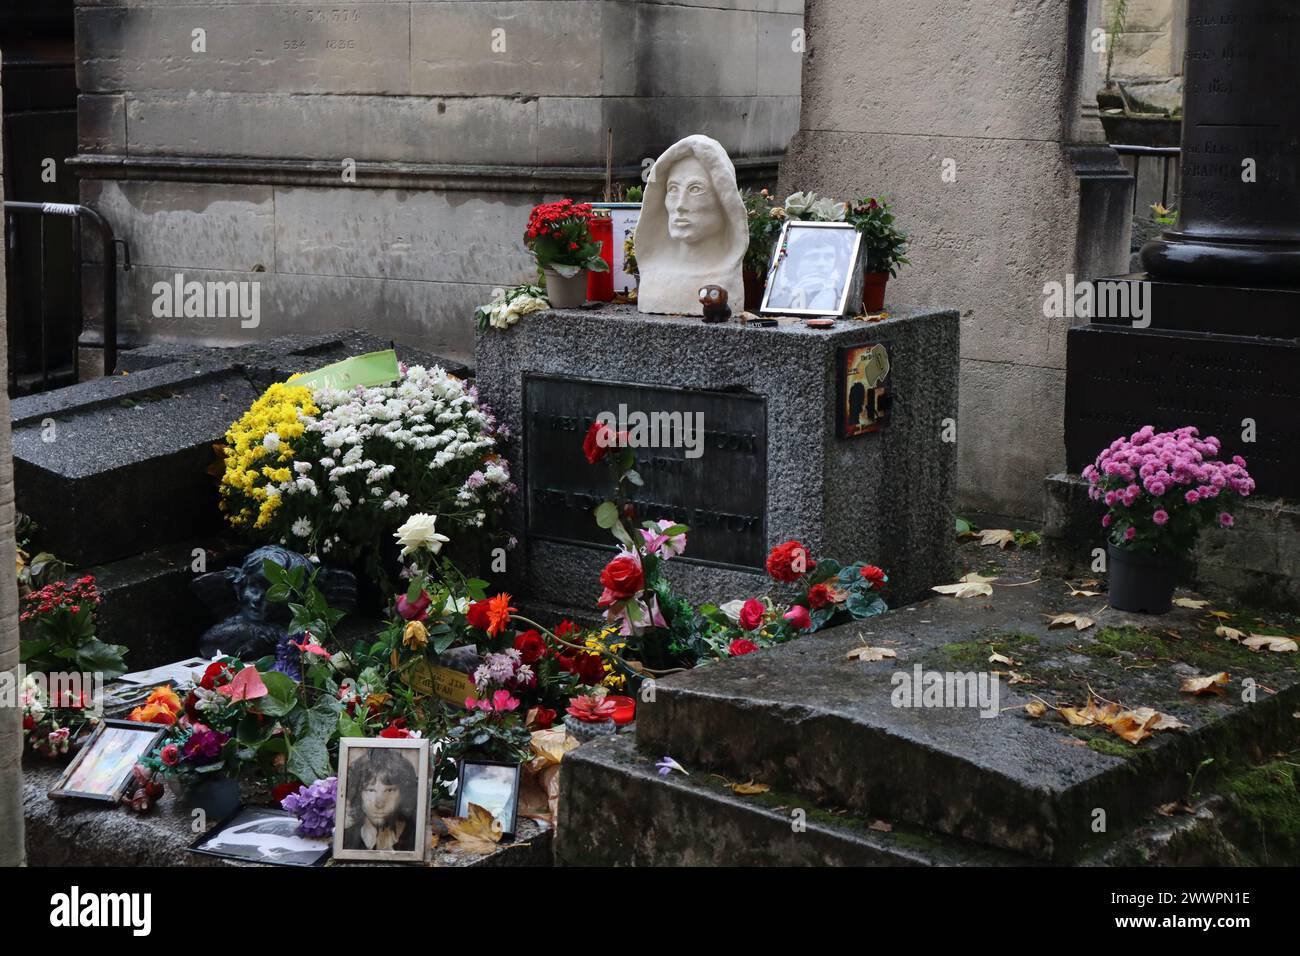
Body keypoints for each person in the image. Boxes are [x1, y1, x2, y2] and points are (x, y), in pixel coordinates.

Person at [634, 135, 748, 315]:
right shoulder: (655, 275)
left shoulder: (724, 279)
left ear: (724, 200)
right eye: (673, 189)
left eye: (695, 189)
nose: (680, 204)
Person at [342, 748, 420, 852]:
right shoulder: (344, 839)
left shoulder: (418, 839)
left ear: (403, 793)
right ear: (358, 794)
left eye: (389, 790)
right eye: (370, 790)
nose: (379, 803)